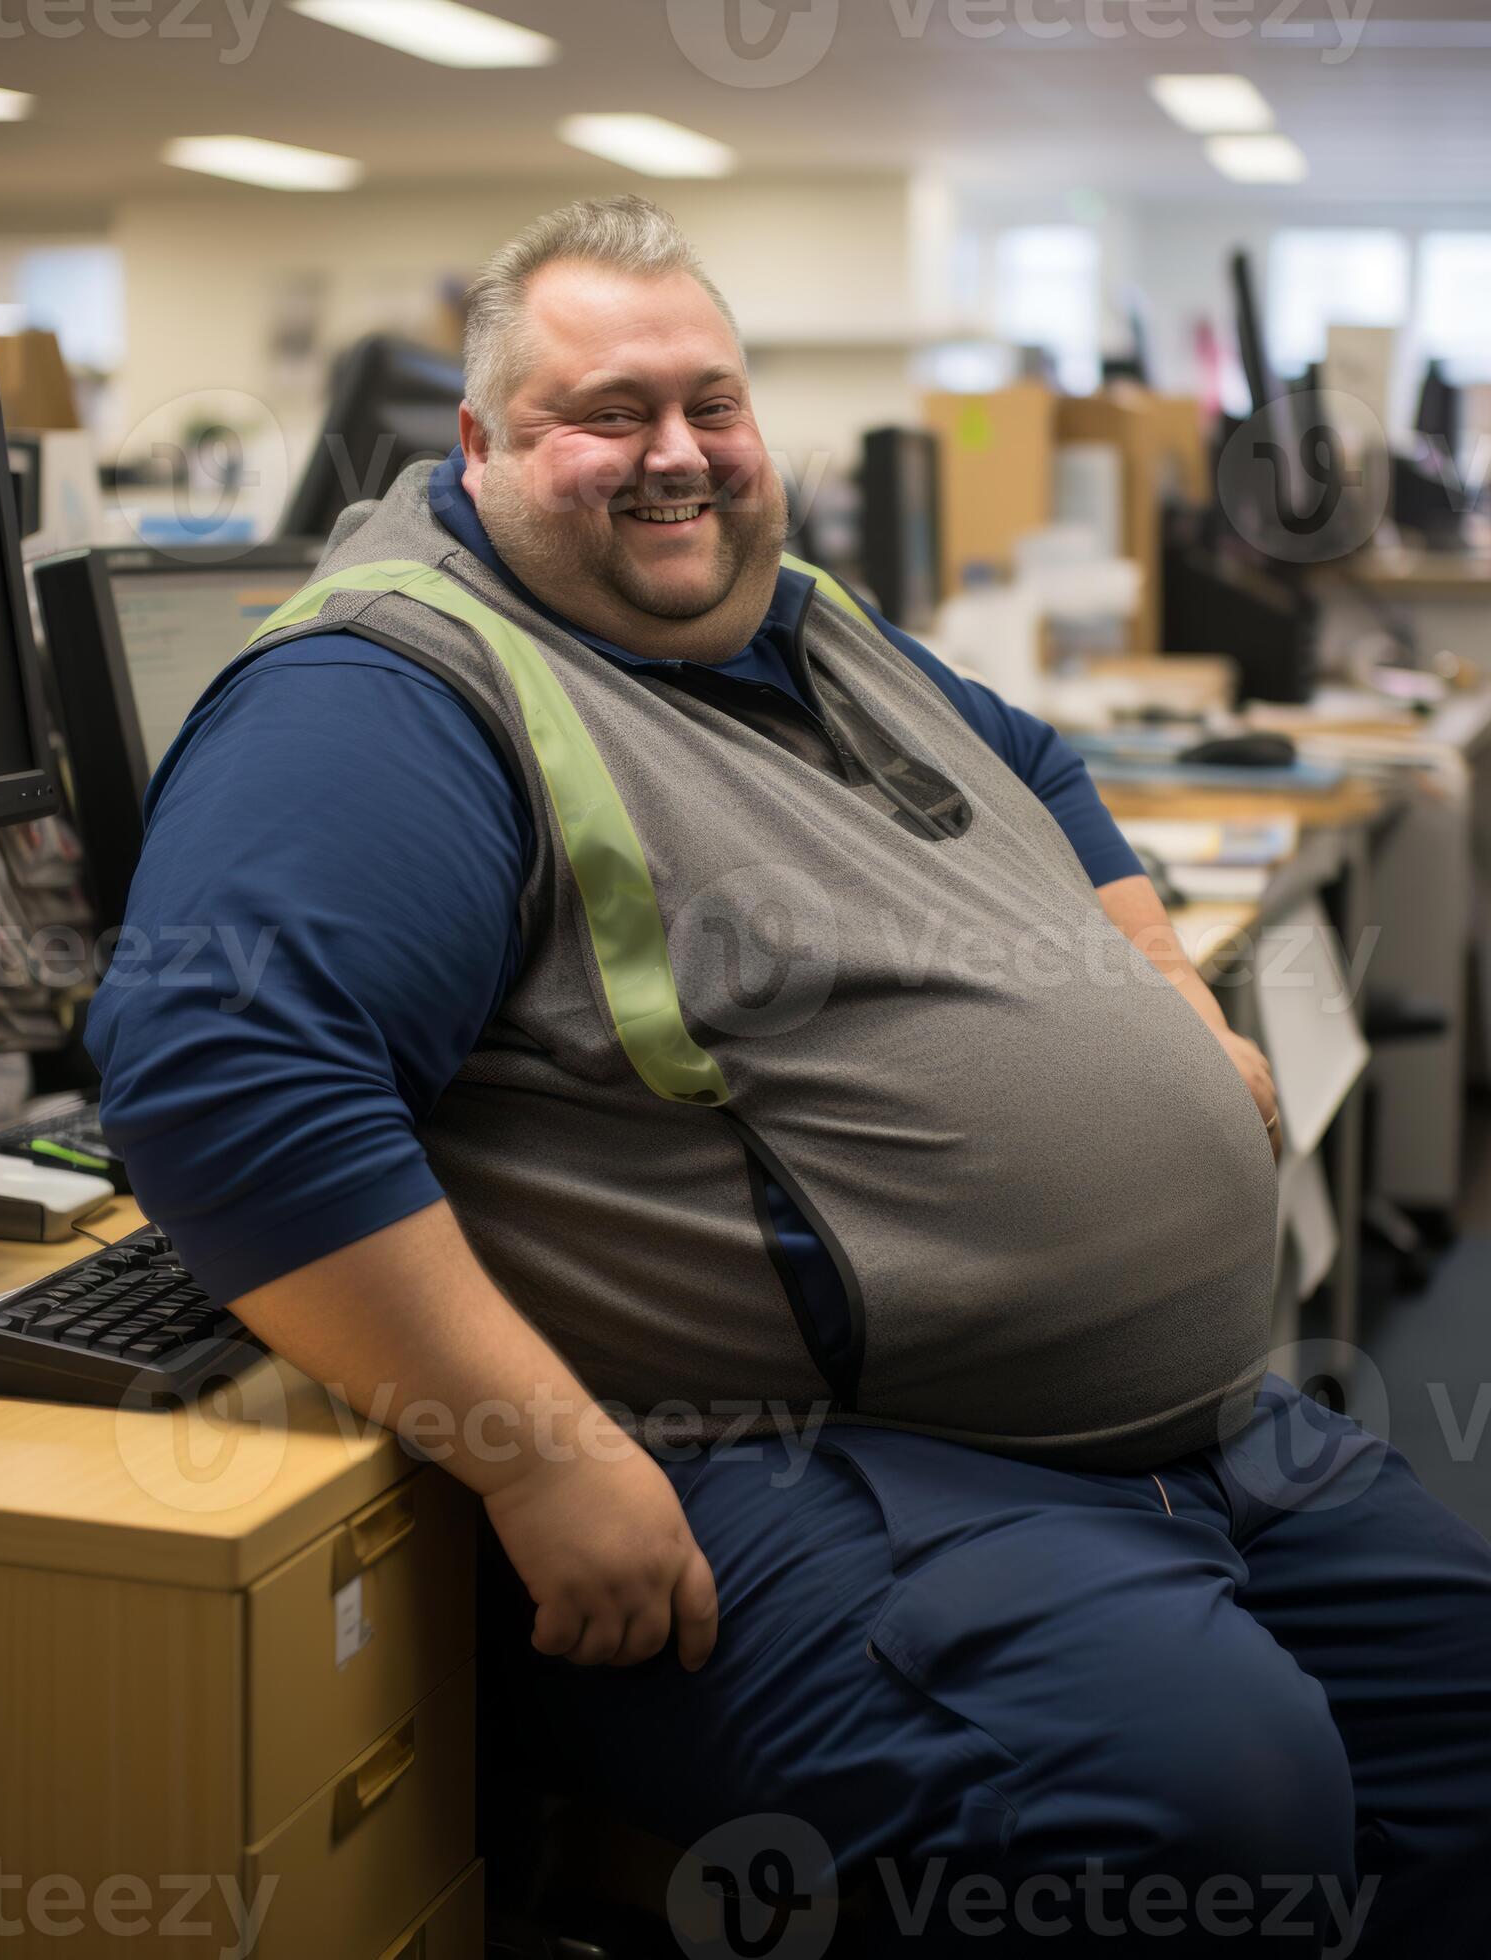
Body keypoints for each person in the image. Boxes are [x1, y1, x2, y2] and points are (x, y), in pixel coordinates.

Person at [88, 196, 1489, 1955]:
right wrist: (535, 1458)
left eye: (713, 404)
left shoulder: (794, 612)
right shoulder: (396, 692)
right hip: (819, 1460)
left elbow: (1037, 762)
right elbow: (220, 1073)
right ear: (476, 444)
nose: (677, 454)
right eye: (607, 414)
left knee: (1466, 1714)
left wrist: (1169, 1002)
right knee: (1207, 1810)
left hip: (1177, 1426)